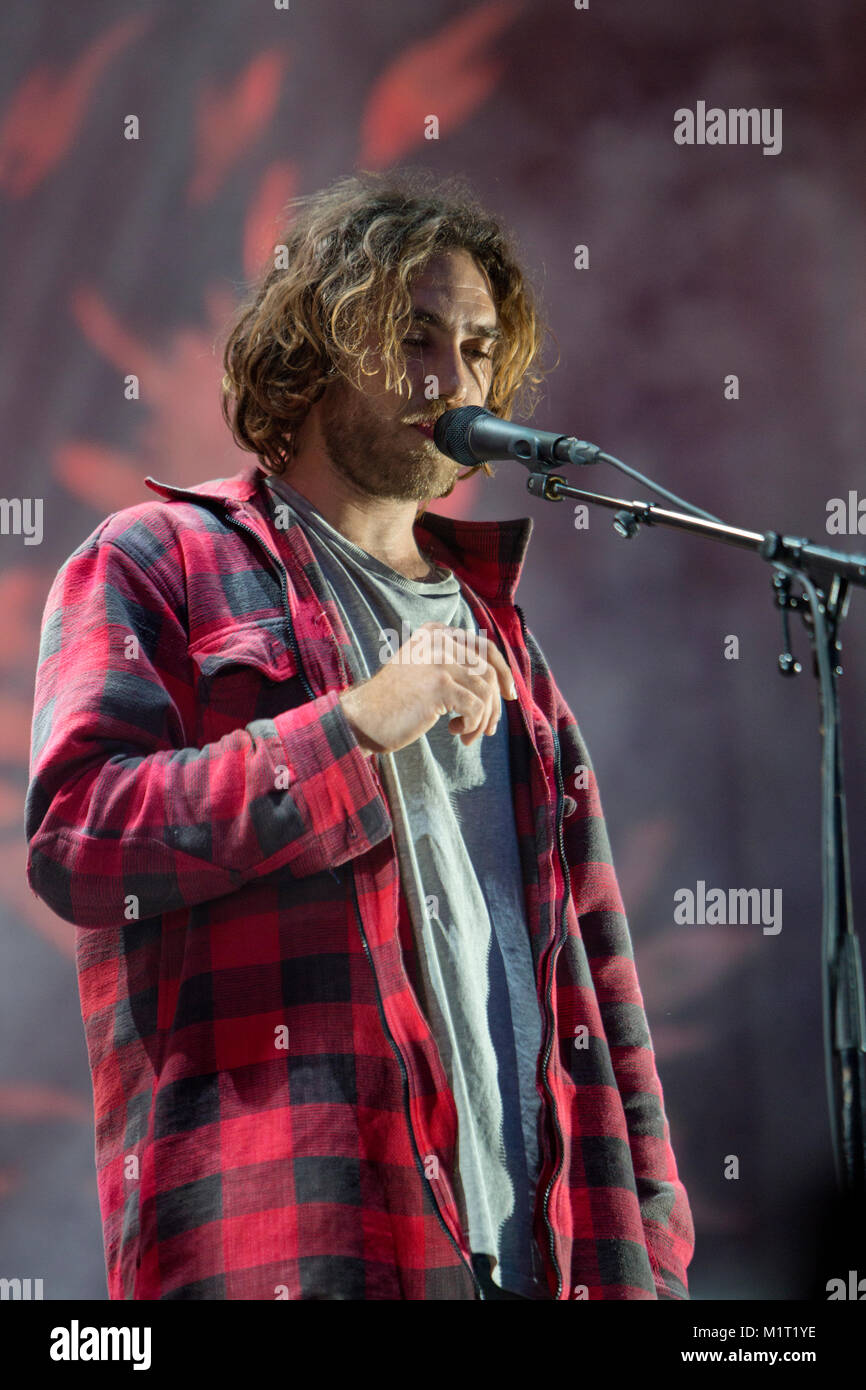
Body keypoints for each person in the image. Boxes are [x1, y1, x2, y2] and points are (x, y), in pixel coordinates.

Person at [25, 168, 694, 1301]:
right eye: (416, 334)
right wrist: (351, 725)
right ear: (318, 344)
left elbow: (597, 978)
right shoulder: (156, 561)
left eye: (480, 346)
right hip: (300, 1239)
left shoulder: (504, 636)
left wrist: (654, 1255)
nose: (456, 375)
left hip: (543, 1261)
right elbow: (81, 842)